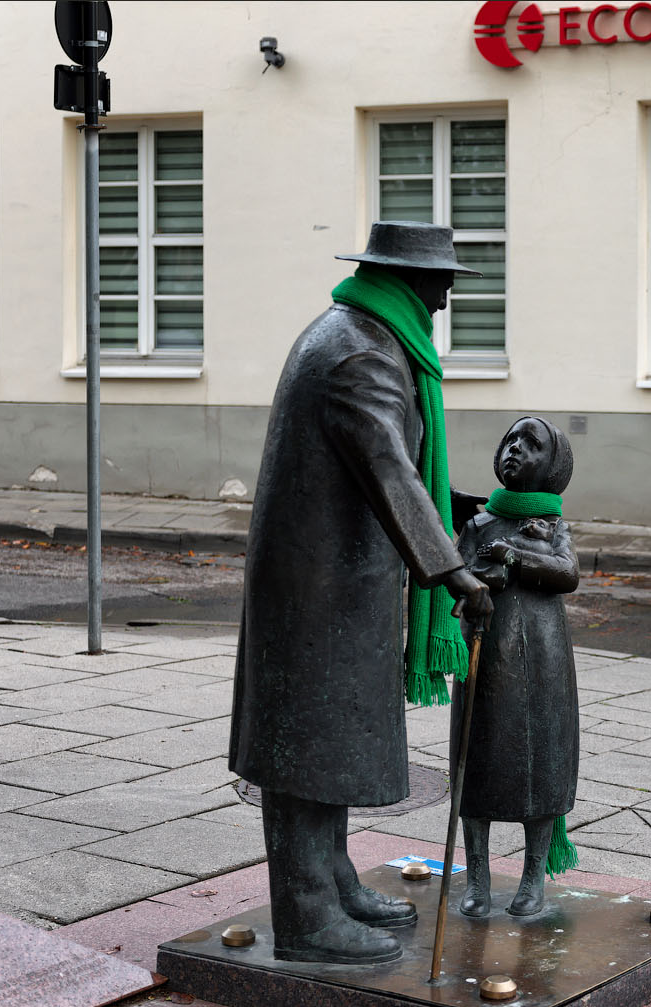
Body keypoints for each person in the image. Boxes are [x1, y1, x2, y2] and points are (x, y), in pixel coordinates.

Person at [229, 221, 494, 965]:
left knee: (323, 743)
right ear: (410, 282)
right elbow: (387, 467)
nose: (446, 297)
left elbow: (387, 465)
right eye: (441, 280)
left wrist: (456, 504)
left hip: (329, 581)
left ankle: (331, 879)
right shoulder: (361, 354)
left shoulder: (359, 334)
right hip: (323, 592)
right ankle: (308, 914)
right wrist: (452, 570)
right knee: (308, 746)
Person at [453, 417, 581, 918]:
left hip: (544, 658)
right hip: (485, 655)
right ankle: (478, 878)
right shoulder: (479, 523)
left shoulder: (553, 527)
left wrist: (514, 555)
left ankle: (533, 877)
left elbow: (567, 574)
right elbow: (459, 574)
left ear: (552, 466)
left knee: (540, 762)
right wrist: (481, 580)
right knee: (476, 761)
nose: (515, 450)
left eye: (531, 445)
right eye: (510, 440)